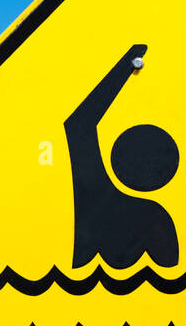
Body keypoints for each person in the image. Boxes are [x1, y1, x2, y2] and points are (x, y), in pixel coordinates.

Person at [65, 43, 180, 270]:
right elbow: (78, 126)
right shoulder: (152, 214)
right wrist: (125, 66)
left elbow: (78, 126)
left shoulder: (150, 215)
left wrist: (126, 64)